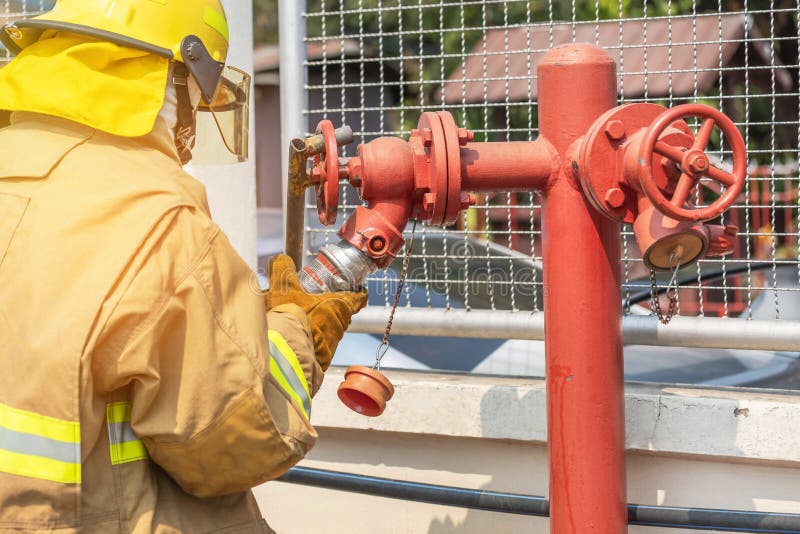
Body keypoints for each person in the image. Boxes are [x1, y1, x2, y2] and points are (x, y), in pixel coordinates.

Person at [0, 1, 366, 532]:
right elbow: (232, 441)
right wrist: (295, 327)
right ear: (171, 77)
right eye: (198, 95)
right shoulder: (158, 221)